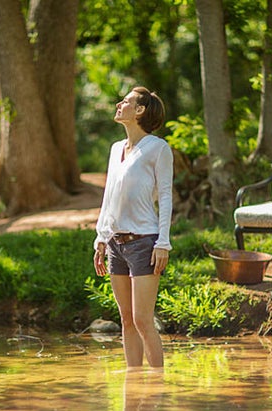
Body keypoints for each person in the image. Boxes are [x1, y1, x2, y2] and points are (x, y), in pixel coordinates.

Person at [93, 86, 173, 369]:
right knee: (126, 319)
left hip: (145, 242)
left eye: (125, 102)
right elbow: (109, 195)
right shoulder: (116, 150)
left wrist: (163, 242)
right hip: (116, 243)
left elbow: (165, 196)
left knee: (142, 319)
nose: (118, 104)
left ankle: (157, 386)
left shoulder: (159, 149)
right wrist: (101, 238)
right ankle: (135, 386)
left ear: (140, 110)